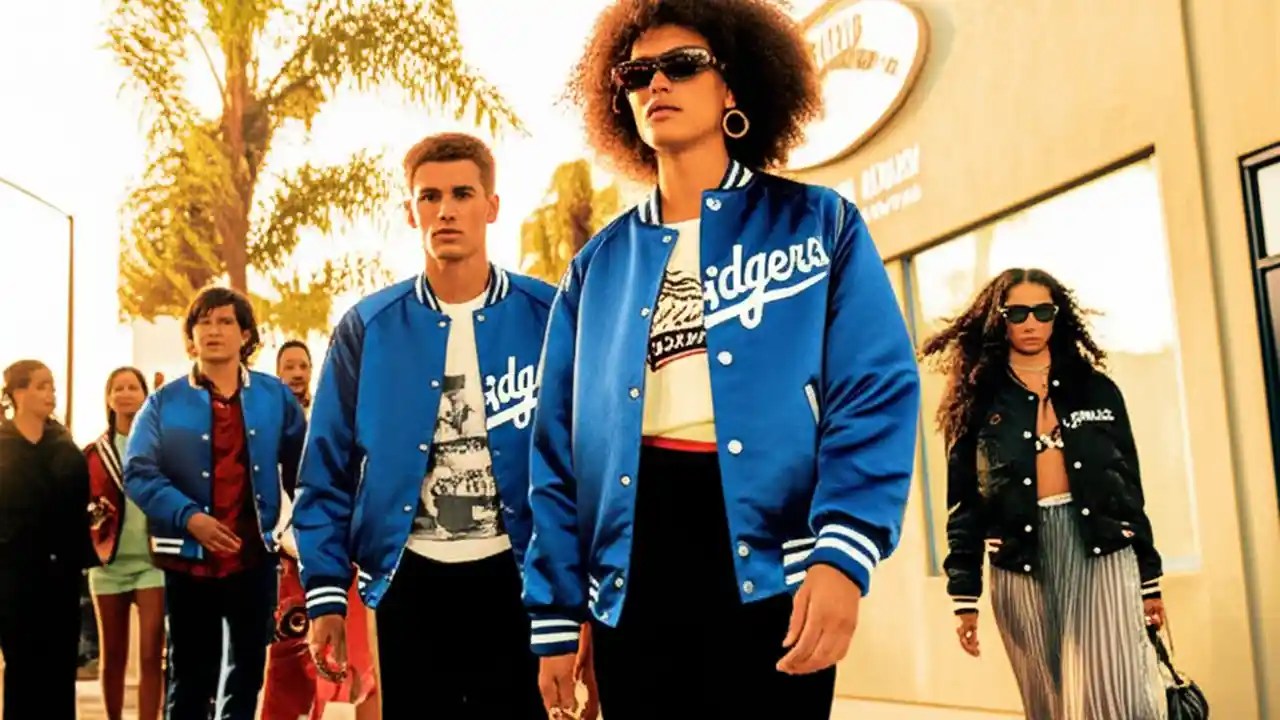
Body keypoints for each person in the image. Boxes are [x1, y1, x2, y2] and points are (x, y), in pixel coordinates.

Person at [522, 1, 922, 718]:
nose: (657, 85)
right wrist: (559, 610)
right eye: (637, 73)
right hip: (635, 561)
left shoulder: (819, 223)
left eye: (682, 65)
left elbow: (874, 391)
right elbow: (556, 449)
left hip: (773, 557)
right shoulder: (596, 267)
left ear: (732, 86)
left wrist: (843, 551)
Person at [294, 132, 556, 719]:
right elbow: (326, 472)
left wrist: (576, 595)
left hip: (519, 577)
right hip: (408, 578)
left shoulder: (550, 315)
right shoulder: (368, 327)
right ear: (410, 211)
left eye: (463, 193)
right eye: (429, 196)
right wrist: (326, 595)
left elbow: (583, 463)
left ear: (491, 205)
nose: (446, 209)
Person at [921, 268, 1168, 720]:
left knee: (1112, 696)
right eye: (1017, 312)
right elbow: (964, 503)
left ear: (1058, 316)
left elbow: (1128, 485)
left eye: (1042, 311)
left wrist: (1149, 578)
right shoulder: (978, 401)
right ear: (1000, 319)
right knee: (1048, 701)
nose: (1030, 322)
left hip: (1102, 549)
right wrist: (964, 594)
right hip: (1019, 558)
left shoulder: (1097, 388)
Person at [125, 287, 307, 720]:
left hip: (254, 560)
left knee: (246, 678)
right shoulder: (162, 402)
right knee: (189, 681)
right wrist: (189, 518)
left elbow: (308, 472)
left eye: (226, 321)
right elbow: (139, 472)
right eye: (203, 322)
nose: (213, 330)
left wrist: (295, 532)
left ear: (245, 335)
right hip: (188, 562)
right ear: (191, 336)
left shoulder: (274, 397)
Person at [262, 339, 379, 720]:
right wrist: (291, 541)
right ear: (277, 373)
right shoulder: (266, 425)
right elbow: (270, 495)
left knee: (352, 661)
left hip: (341, 557)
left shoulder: (334, 419)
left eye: (303, 366)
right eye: (289, 366)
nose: (296, 373)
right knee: (287, 663)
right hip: (289, 559)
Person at [0, 359, 96, 719]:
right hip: (14, 574)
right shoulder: (3, 446)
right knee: (22, 666)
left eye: (52, 386)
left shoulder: (64, 445)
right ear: (17, 392)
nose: (50, 394)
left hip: (61, 576)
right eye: (41, 386)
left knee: (59, 668)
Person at [85, 367, 165, 720]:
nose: (126, 393)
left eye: (133, 387)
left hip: (153, 564)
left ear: (145, 395)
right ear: (108, 398)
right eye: (118, 387)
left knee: (151, 653)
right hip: (108, 566)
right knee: (113, 655)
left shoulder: (160, 446)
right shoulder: (94, 452)